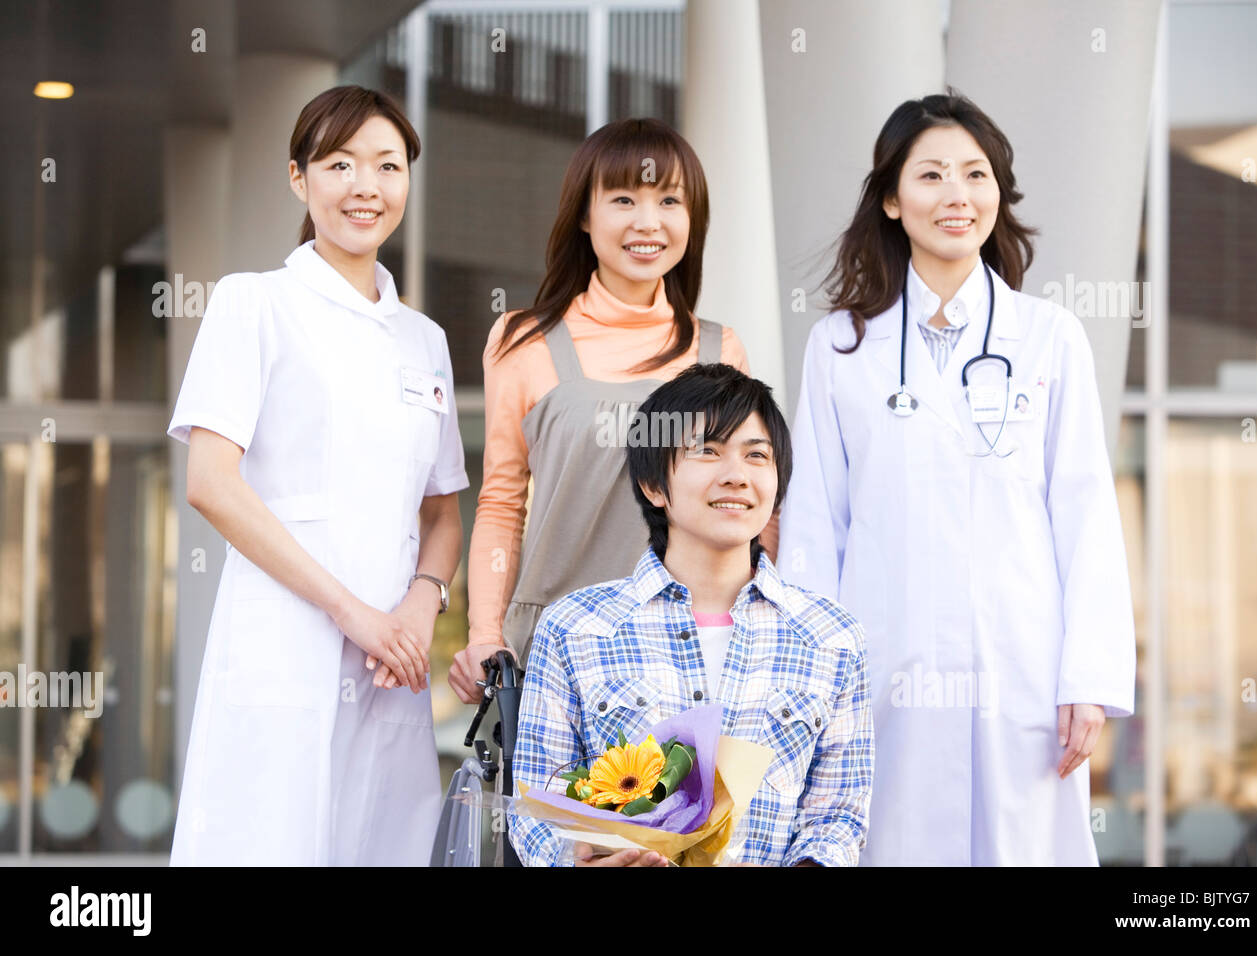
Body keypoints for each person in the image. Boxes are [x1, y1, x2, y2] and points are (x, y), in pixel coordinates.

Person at [778, 91, 1135, 866]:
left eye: (976, 175)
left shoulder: (1048, 338)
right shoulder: (841, 345)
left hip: (1021, 666)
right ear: (892, 200)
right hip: (883, 666)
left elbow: (1085, 514)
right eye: (932, 175)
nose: (957, 195)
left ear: (998, 195)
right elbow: (814, 524)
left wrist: (1089, 676)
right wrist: (810, 685)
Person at [167, 86, 468, 865]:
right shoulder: (254, 304)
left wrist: (416, 609)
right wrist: (351, 611)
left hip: (389, 664)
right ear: (299, 178)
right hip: (285, 643)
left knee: (380, 840)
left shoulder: (423, 339)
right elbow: (210, 481)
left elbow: (442, 512)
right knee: (269, 841)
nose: (365, 186)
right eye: (340, 164)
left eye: (387, 166)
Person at [450, 118, 772, 703]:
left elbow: (746, 504)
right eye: (623, 199)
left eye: (669, 200)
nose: (647, 222)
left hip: (690, 651)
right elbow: (500, 502)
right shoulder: (523, 339)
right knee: (551, 800)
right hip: (552, 650)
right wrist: (485, 636)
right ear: (583, 214)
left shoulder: (719, 349)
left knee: (692, 799)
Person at [507, 364, 873, 866]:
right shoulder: (575, 627)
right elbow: (536, 805)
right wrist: (580, 858)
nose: (737, 475)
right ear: (655, 486)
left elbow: (837, 818)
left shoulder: (831, 637)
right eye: (707, 451)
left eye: (757, 456)